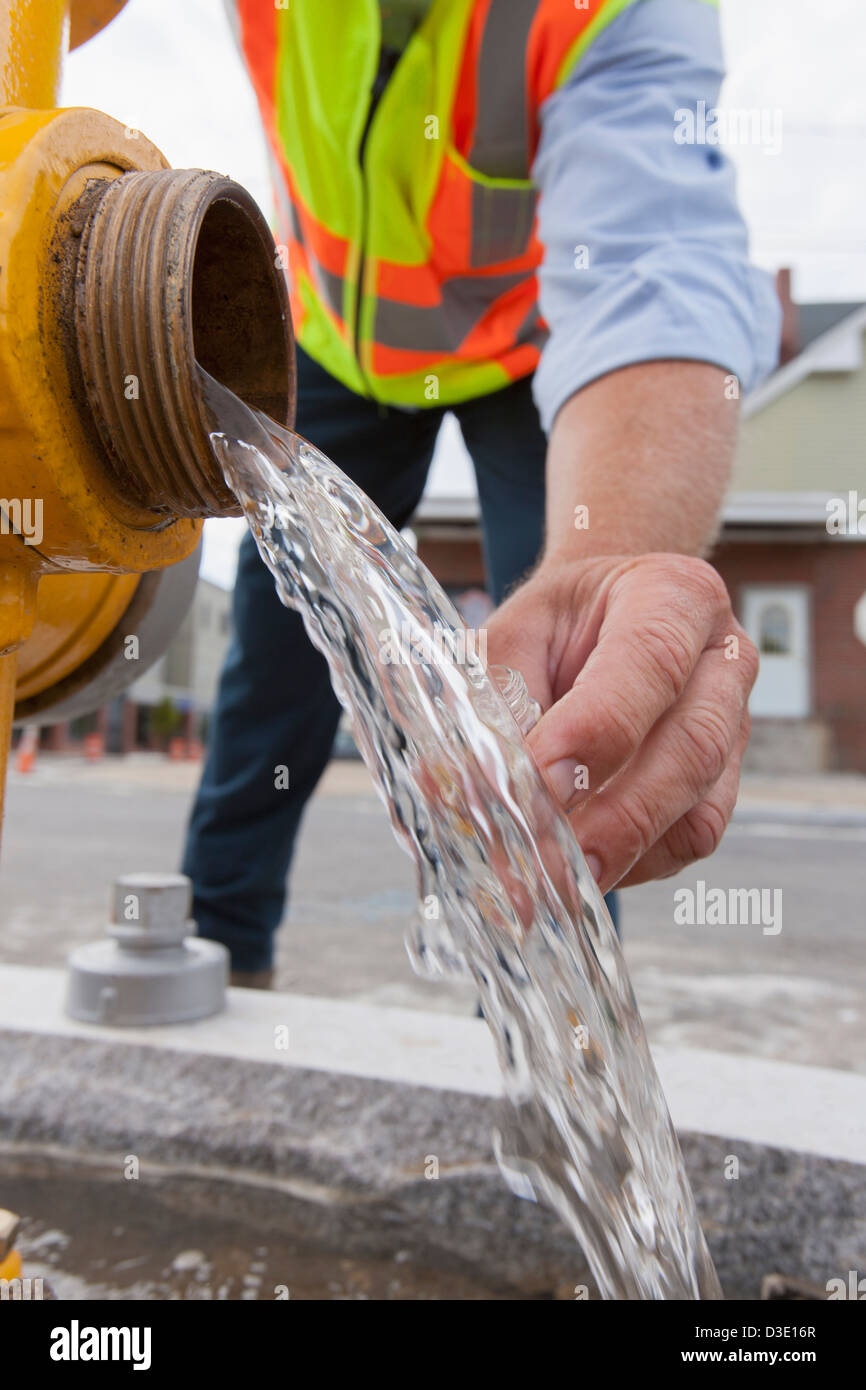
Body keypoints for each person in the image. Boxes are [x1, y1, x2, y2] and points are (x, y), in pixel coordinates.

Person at [183, 0, 780, 987]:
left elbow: (656, 263)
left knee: (562, 683)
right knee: (271, 661)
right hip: (334, 345)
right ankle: (218, 947)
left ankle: (562, 1006)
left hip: (523, 345)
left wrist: (614, 562)